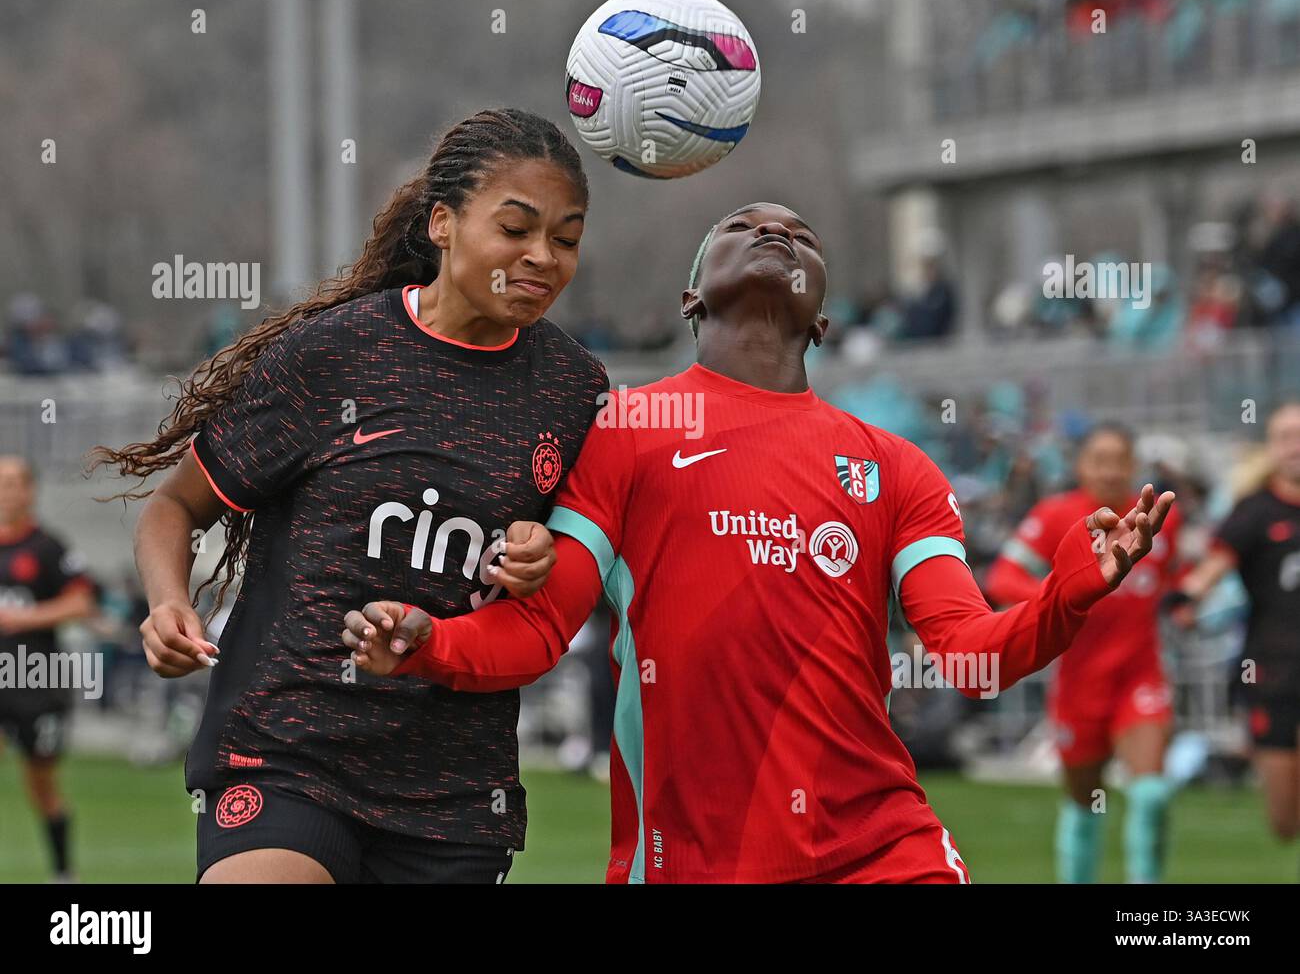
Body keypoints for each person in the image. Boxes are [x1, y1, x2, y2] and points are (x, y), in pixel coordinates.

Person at [344, 202, 1176, 883]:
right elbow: (540, 626)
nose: (778, 230)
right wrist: (430, 641)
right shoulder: (630, 427)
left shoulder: (895, 466)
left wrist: (1068, 593)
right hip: (690, 862)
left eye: (803, 234)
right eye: (746, 224)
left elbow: (967, 655)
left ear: (821, 316)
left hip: (881, 848)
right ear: (692, 297)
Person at [90, 109, 608, 884]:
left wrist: (538, 553)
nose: (541, 257)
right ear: (443, 223)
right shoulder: (333, 353)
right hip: (288, 752)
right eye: (516, 229)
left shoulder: (574, 390)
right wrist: (167, 602)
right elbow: (175, 508)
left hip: (453, 789)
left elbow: (557, 564)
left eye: (564, 240)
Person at [985, 424, 1183, 883]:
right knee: (1084, 802)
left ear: (1134, 466)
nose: (1110, 470)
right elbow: (1001, 577)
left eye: (1119, 460)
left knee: (1151, 794)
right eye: (1099, 459)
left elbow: (1175, 580)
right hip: (1079, 683)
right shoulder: (1058, 515)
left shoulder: (1160, 516)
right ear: (1080, 466)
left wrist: (1187, 601)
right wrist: (1059, 598)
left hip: (1141, 676)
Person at [1170, 400, 1300, 850]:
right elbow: (1214, 565)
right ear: (1271, 447)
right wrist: (1188, 598)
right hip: (1272, 673)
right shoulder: (1254, 511)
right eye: (1285, 436)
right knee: (1285, 823)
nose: (1294, 446)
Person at [0, 456, 96, 882]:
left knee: (42, 787)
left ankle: (62, 873)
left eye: (13, 483)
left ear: (29, 491)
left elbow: (82, 602)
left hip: (36, 682)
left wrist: (25, 617)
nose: (5, 491)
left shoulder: (48, 547)